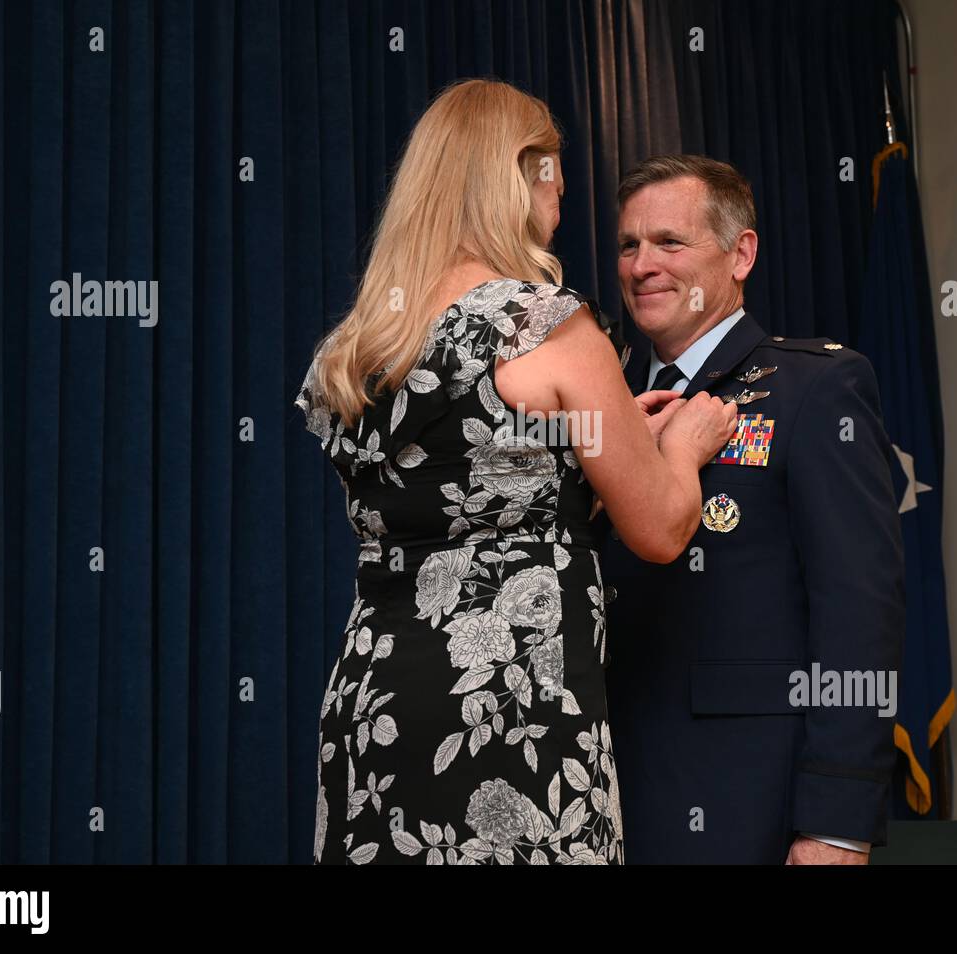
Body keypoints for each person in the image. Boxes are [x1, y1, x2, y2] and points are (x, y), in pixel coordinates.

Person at [295, 83, 737, 864]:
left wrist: (604, 439)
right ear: (522, 179)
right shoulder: (546, 325)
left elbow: (472, 474)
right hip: (510, 707)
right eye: (556, 190)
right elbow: (664, 527)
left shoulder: (355, 350)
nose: (558, 211)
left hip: (377, 706)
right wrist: (683, 445)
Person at [602, 154, 906, 864]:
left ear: (741, 254)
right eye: (628, 244)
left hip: (748, 797)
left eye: (670, 242)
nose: (642, 264)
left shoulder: (814, 389)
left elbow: (860, 610)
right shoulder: (603, 401)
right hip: (604, 790)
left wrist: (837, 820)